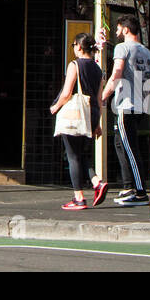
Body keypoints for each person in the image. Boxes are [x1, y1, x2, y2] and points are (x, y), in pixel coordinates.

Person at [100, 15, 150, 206]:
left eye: (117, 28)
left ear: (125, 30)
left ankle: (140, 193)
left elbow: (117, 73)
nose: (116, 32)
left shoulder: (122, 48)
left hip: (126, 105)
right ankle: (128, 187)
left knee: (130, 149)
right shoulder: (146, 52)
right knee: (120, 144)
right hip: (141, 105)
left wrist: (103, 95)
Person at [49, 32, 107, 209]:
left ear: (79, 47)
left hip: (76, 114)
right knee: (81, 154)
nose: (73, 48)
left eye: (74, 45)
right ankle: (97, 182)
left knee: (72, 156)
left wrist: (56, 106)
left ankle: (78, 197)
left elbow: (67, 93)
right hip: (92, 113)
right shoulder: (98, 69)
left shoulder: (74, 65)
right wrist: (98, 123)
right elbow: (99, 99)